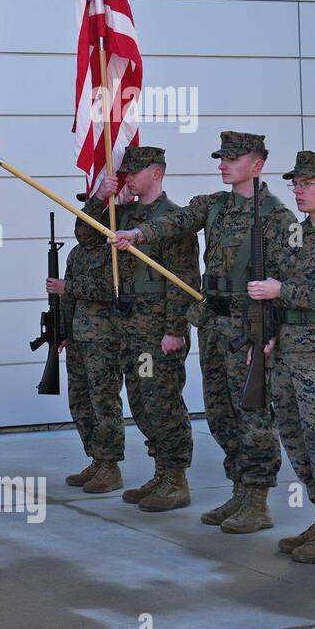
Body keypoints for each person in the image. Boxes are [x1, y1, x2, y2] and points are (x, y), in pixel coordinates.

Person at [113, 132, 298, 533]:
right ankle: (239, 490)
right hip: (214, 323)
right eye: (221, 158)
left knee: (253, 415)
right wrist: (137, 234)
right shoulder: (212, 205)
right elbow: (175, 220)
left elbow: (285, 278)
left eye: (233, 159)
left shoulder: (276, 216)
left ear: (258, 164)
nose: (223, 164)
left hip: (249, 327)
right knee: (220, 412)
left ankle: (258, 500)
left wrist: (272, 334)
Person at [86, 147, 199, 512]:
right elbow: (86, 238)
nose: (127, 178)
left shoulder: (172, 219)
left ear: (156, 173)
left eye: (134, 172)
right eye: (125, 172)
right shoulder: (125, 214)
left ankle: (175, 477)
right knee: (140, 402)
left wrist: (176, 329)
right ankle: (160, 472)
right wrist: (99, 199)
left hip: (158, 332)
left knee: (161, 401)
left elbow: (183, 279)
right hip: (128, 329)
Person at [248, 151, 315, 563]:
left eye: (307, 184)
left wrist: (280, 292)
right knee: (298, 438)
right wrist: (269, 333)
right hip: (291, 353)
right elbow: (280, 285)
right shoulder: (296, 234)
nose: (298, 191)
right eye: (295, 184)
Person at [51, 198, 124, 493]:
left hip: (103, 338)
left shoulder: (113, 253)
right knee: (80, 401)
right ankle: (95, 457)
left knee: (104, 401)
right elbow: (67, 299)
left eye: (88, 216)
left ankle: (110, 466)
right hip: (79, 338)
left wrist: (68, 287)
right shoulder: (77, 253)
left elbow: (111, 290)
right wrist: (63, 331)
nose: (82, 222)